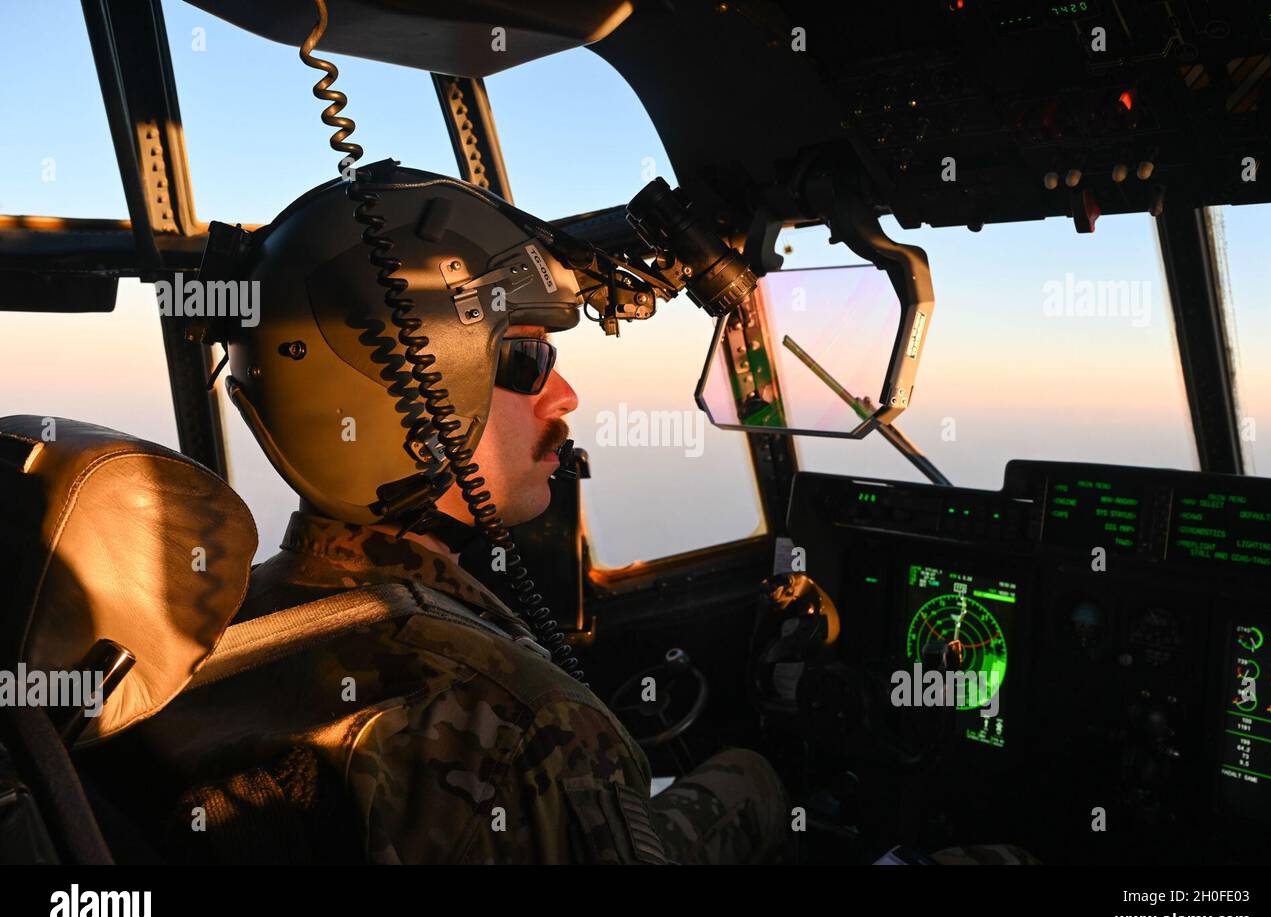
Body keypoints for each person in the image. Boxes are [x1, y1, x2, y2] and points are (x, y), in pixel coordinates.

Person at [149, 163, 793, 864]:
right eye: (526, 360)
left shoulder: (191, 645)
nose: (564, 397)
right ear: (413, 399)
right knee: (757, 778)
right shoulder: (531, 725)